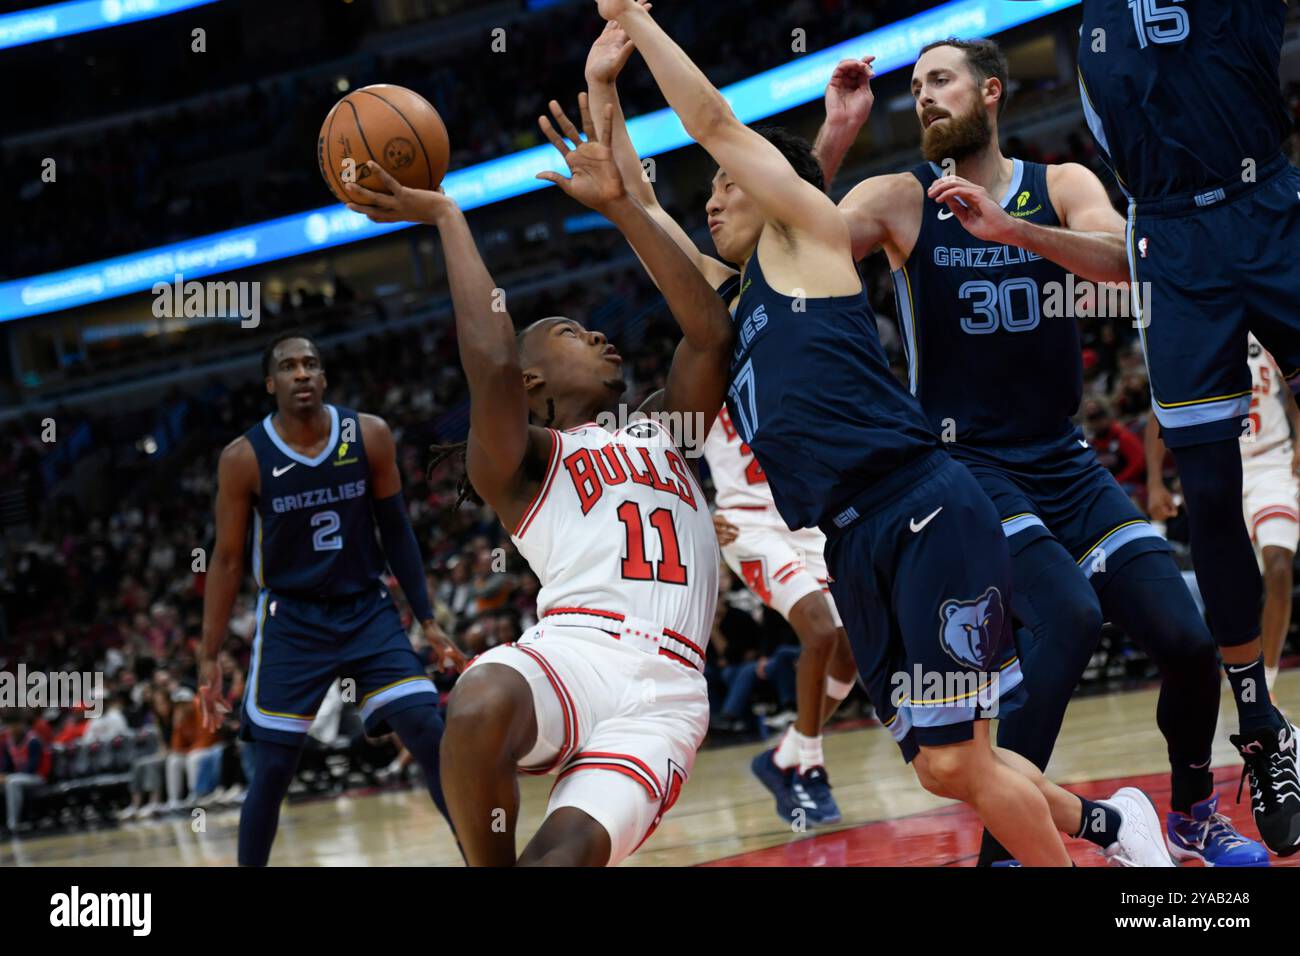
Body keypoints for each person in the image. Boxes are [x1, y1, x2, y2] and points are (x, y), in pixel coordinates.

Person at [591, 0, 1173, 865]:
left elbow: (710, 120)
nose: (711, 200)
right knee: (942, 768)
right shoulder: (733, 297)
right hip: (851, 540)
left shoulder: (808, 243)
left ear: (777, 191)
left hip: (921, 507)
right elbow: (633, 200)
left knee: (961, 757)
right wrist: (602, 83)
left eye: (725, 183)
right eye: (707, 192)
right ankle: (1111, 824)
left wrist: (638, 20)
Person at [815, 37, 1259, 865]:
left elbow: (1128, 263)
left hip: (1063, 458)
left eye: (940, 80)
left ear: (989, 92)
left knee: (1189, 640)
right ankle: (1008, 849)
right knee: (1067, 618)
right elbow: (794, 256)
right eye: (913, 87)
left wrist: (1014, 231)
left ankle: (1193, 811)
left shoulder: (1058, 184)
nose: (922, 97)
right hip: (968, 469)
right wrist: (834, 141)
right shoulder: (899, 197)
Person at [343, 93, 731, 866]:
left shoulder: (666, 429)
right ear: (528, 381)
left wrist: (623, 208)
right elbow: (485, 363)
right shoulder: (522, 463)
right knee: (481, 698)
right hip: (575, 653)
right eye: (567, 334)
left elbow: (710, 330)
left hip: (666, 695)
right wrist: (449, 216)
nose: (594, 333)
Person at [1076, 0, 1300, 855]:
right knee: (1210, 499)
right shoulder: (1092, 25)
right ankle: (1260, 722)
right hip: (1172, 243)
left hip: (1269, 202)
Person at [197, 328, 465, 866]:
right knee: (273, 769)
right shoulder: (243, 457)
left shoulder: (368, 435)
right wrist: (209, 654)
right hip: (292, 620)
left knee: (427, 731)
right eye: (289, 366)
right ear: (270, 382)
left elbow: (396, 528)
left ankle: (480, 857)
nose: (302, 374)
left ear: (323, 376)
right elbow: (226, 560)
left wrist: (428, 618)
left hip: (367, 609)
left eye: (311, 364)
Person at [1149, 333, 1300, 702]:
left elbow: (1293, 391)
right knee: (1229, 581)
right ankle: (1236, 665)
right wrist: (1155, 482)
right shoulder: (1192, 335)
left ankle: (1265, 680)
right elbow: (1160, 414)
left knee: (1279, 566)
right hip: (1222, 465)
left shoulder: (1264, 325)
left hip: (1273, 463)